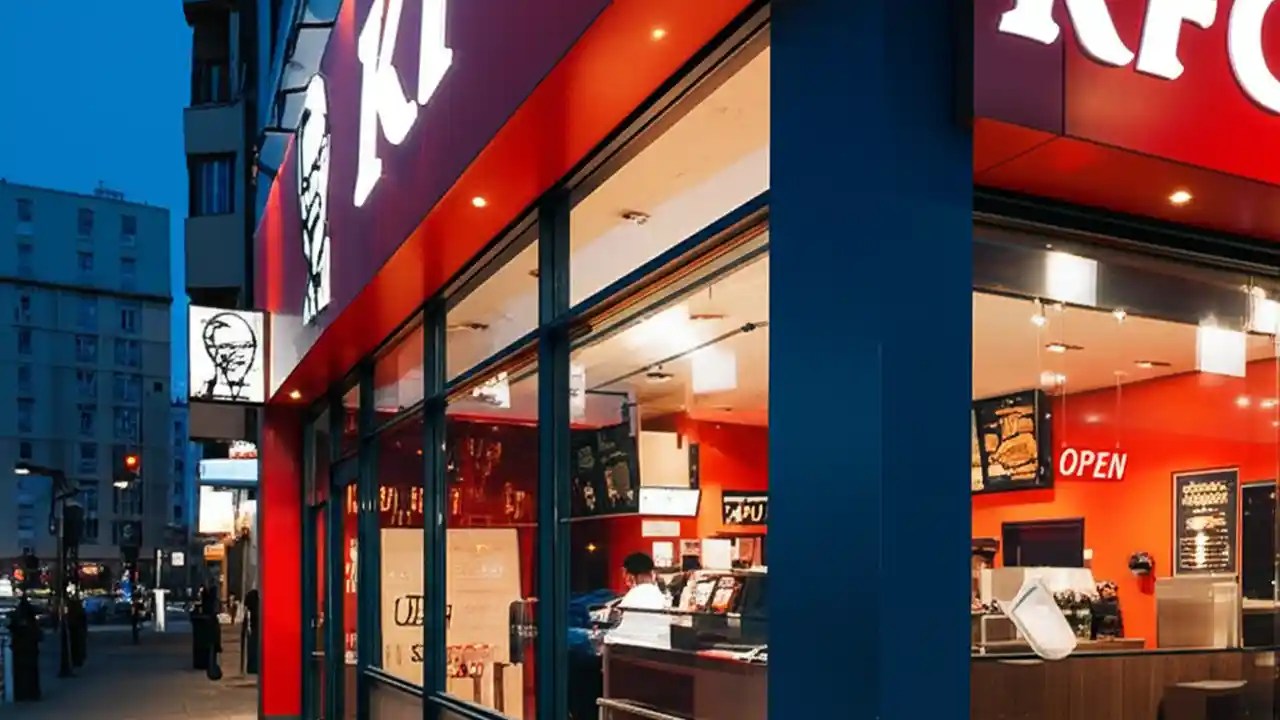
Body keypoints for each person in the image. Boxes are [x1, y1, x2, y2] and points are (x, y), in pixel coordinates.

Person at [605, 552, 671, 649]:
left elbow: (620, 636)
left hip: (634, 651)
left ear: (628, 575)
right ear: (652, 573)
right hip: (659, 648)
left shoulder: (634, 597)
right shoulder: (660, 596)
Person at [9, 596, 42, 701]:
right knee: (32, 671)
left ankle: (22, 693)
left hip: (20, 648)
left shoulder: (17, 619)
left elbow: (11, 627)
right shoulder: (31, 621)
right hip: (30, 648)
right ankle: (32, 693)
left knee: (20, 672)